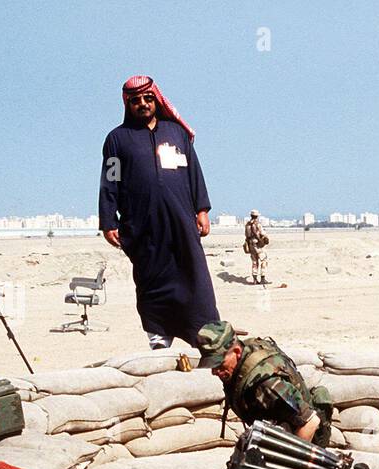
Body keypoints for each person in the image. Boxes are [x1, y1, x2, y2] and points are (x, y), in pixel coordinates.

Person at [99, 75, 220, 350]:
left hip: (182, 223)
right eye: (136, 101)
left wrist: (201, 209)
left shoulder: (176, 133)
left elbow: (194, 174)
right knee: (151, 280)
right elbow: (110, 180)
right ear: (128, 104)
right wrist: (108, 220)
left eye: (147, 98)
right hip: (142, 227)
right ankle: (159, 340)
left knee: (194, 277)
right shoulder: (117, 140)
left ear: (156, 98)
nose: (142, 104)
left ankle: (207, 340)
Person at [196, 322, 332, 447]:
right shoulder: (243, 361)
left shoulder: (266, 384)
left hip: (302, 444)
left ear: (237, 352)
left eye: (219, 364)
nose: (215, 372)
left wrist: (291, 467)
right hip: (273, 440)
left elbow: (310, 422)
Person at [243, 210, 269, 285]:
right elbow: (262, 233)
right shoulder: (258, 224)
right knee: (264, 260)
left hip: (250, 244)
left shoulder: (247, 225)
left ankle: (254, 280)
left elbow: (246, 235)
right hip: (258, 245)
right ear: (257, 216)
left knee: (254, 262)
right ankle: (263, 279)